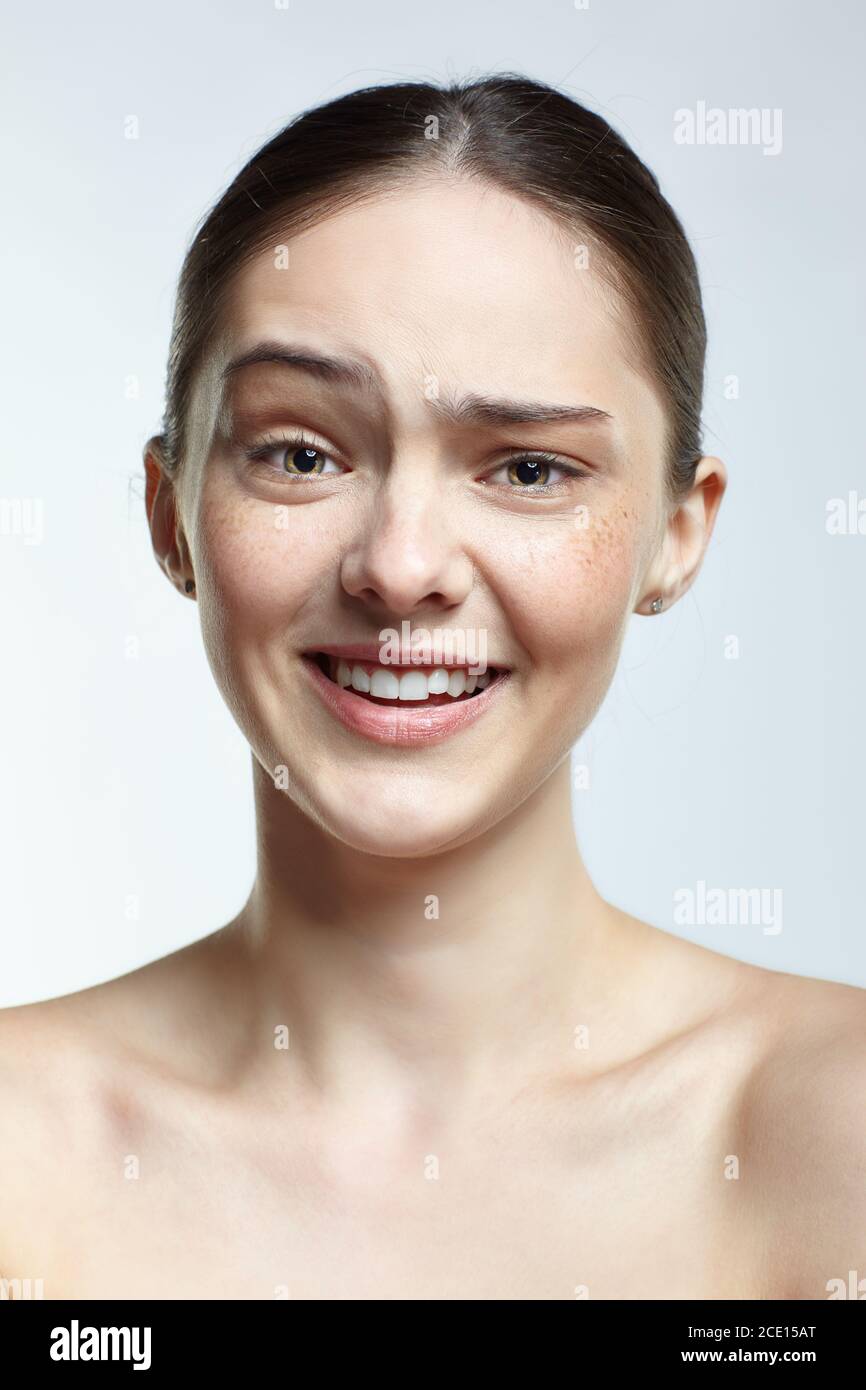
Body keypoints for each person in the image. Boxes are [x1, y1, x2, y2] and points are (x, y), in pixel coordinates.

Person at [2, 75, 863, 1301]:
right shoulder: (19, 1159)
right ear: (171, 512)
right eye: (300, 453)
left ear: (677, 528)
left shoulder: (833, 1139)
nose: (400, 568)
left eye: (525, 467)